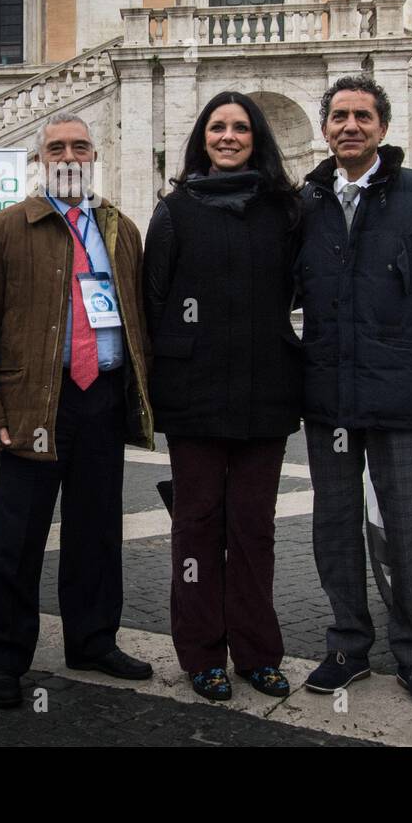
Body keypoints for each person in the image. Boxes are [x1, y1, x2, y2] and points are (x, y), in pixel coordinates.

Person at [0, 113, 155, 708]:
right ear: (40, 159)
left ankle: (93, 639)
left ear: (95, 155)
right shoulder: (3, 230)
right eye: (56, 146)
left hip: (101, 398)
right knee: (17, 537)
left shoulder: (122, 229)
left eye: (80, 145)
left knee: (97, 531)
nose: (69, 153)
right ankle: (3, 657)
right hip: (31, 403)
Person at [299, 75, 412, 710]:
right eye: (340, 116)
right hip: (329, 400)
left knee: (406, 529)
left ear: (382, 127)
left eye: (363, 117)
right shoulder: (308, 202)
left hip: (405, 398)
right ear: (324, 128)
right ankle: (347, 646)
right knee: (335, 526)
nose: (351, 126)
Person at [143, 91, 303, 702]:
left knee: (254, 530)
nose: (229, 136)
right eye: (218, 127)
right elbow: (155, 301)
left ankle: (259, 653)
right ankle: (202, 654)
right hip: (194, 394)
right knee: (197, 528)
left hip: (266, 392)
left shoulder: (286, 210)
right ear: (202, 138)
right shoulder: (175, 210)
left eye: (240, 127)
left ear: (256, 137)